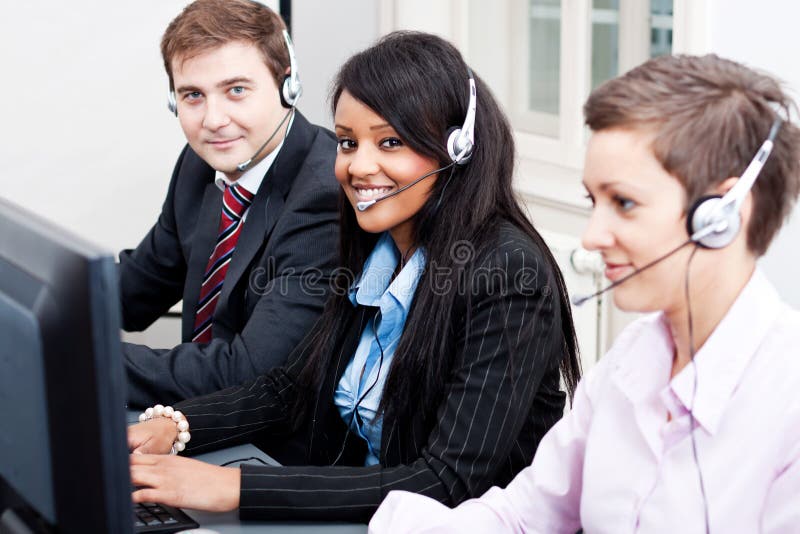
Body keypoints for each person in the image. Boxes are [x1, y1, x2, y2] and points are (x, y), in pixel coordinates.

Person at [126, 31, 582, 522]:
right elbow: (291, 387)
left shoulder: (508, 275)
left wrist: (237, 487)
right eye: (347, 142)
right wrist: (177, 425)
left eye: (390, 142)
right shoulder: (378, 244)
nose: (358, 166)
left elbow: (445, 479)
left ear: (457, 148)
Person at [369, 54, 800, 533]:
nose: (593, 236)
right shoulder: (631, 360)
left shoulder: (786, 405)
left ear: (721, 216)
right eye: (595, 202)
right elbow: (523, 515)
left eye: (625, 203)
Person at [119, 0, 339, 407]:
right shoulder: (198, 166)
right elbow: (135, 291)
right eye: (192, 96)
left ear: (287, 84)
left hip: (277, 449)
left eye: (236, 90)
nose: (213, 120)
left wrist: (97, 364)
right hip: (194, 419)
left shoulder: (324, 194)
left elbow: (249, 371)